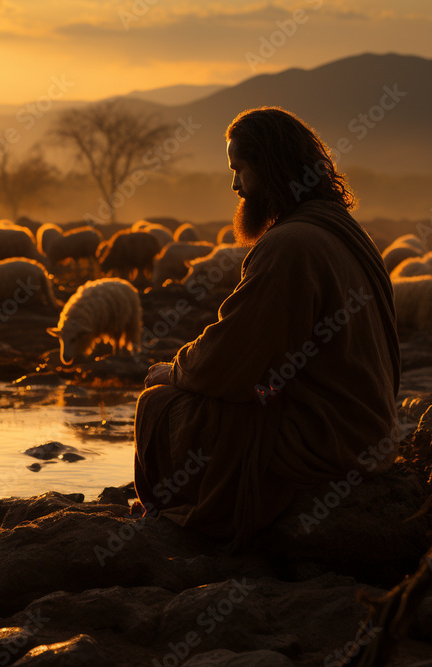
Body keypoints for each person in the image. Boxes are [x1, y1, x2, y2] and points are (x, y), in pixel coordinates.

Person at [134, 107, 401, 547]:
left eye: (240, 169)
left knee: (157, 403)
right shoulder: (341, 228)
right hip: (369, 430)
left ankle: (177, 510)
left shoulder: (289, 244)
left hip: (325, 440)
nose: (235, 184)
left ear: (270, 165)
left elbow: (231, 356)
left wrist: (176, 370)